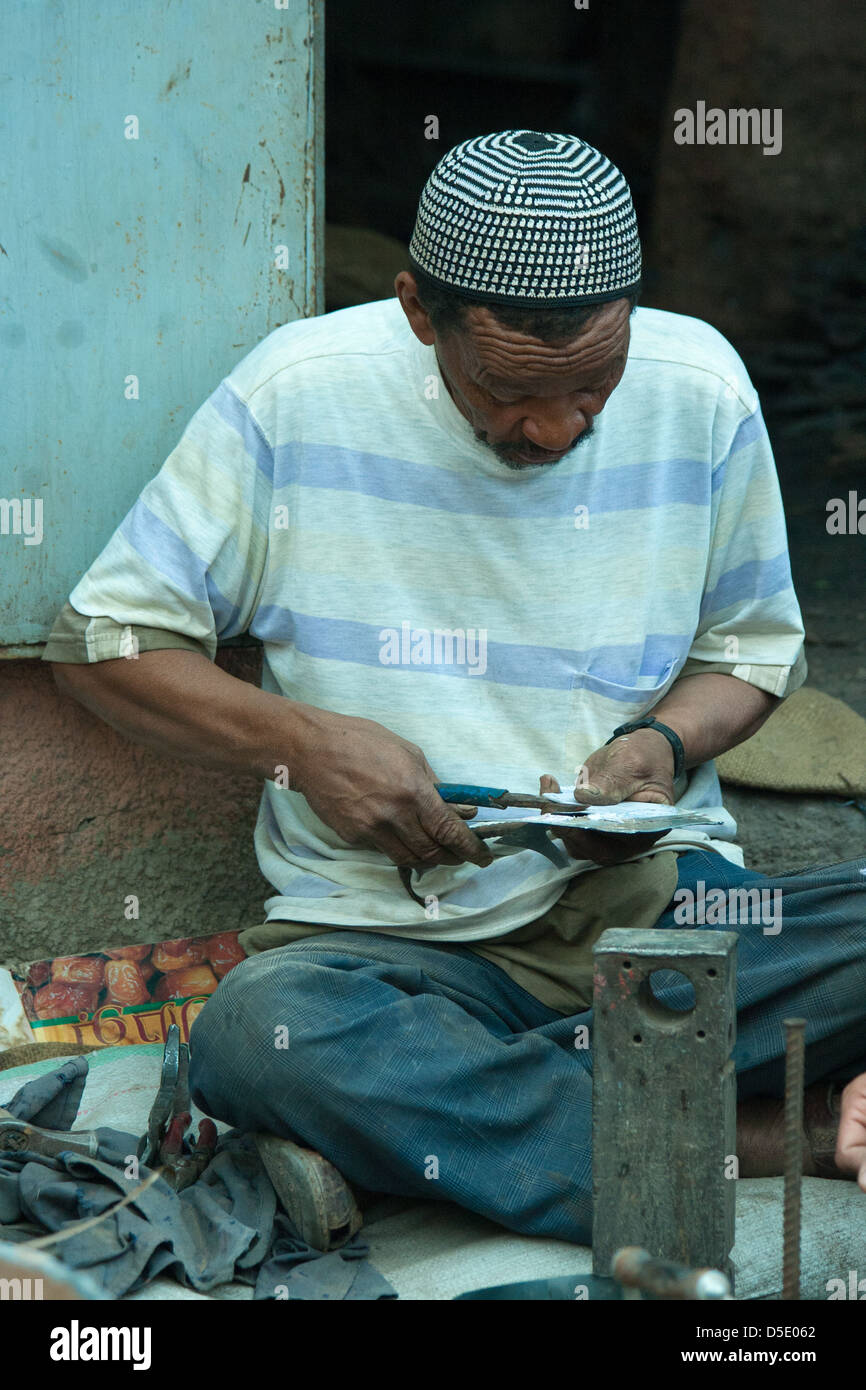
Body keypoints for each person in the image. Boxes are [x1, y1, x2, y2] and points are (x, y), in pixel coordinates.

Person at [46, 131, 866, 1250]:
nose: (557, 429)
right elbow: (101, 639)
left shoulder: (699, 388)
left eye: (594, 386)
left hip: (659, 926)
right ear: (418, 314)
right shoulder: (298, 394)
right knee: (261, 1027)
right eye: (511, 392)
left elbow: (753, 648)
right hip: (398, 958)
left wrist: (658, 751)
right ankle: (782, 1135)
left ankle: (461, 1122)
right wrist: (306, 744)